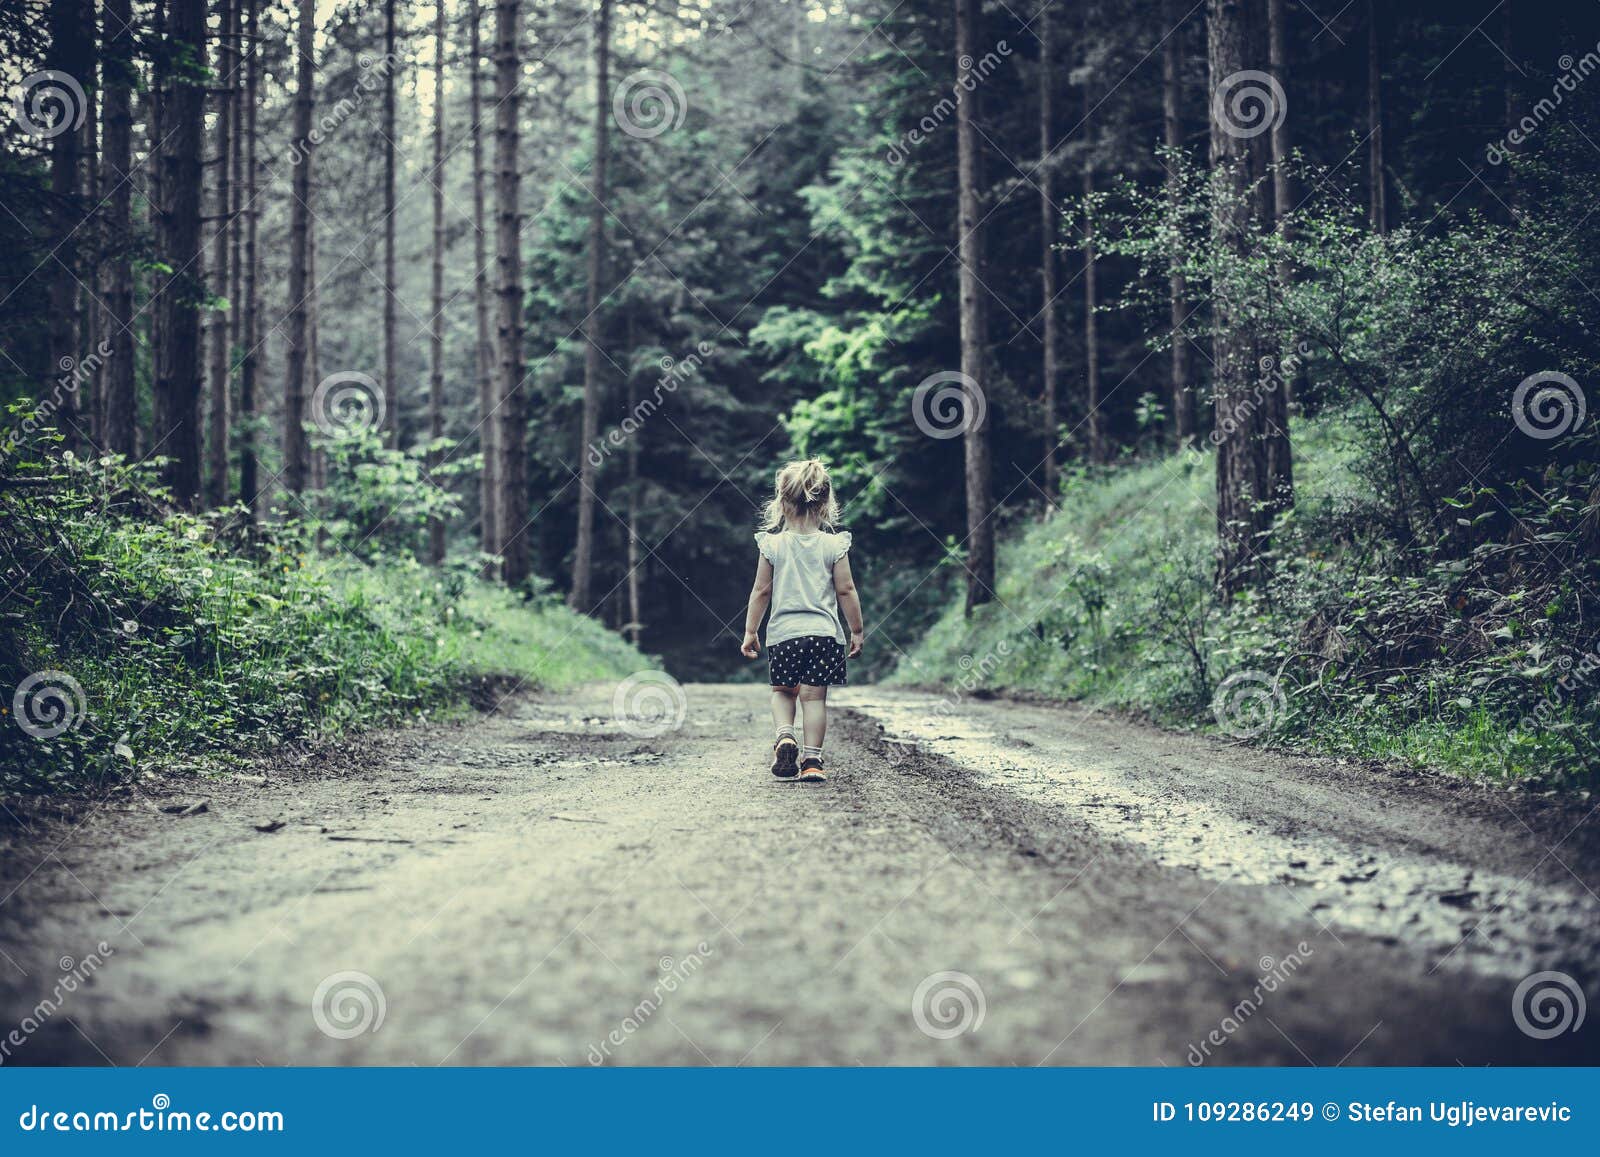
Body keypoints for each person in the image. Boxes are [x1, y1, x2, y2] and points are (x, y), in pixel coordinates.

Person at [740, 459, 864, 783]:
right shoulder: (834, 544)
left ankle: (784, 735)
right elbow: (846, 590)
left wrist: (751, 630)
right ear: (825, 504)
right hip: (823, 634)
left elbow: (761, 591)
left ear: (781, 503)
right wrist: (857, 630)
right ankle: (812, 761)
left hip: (784, 634)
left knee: (783, 691)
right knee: (814, 698)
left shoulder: (773, 544)